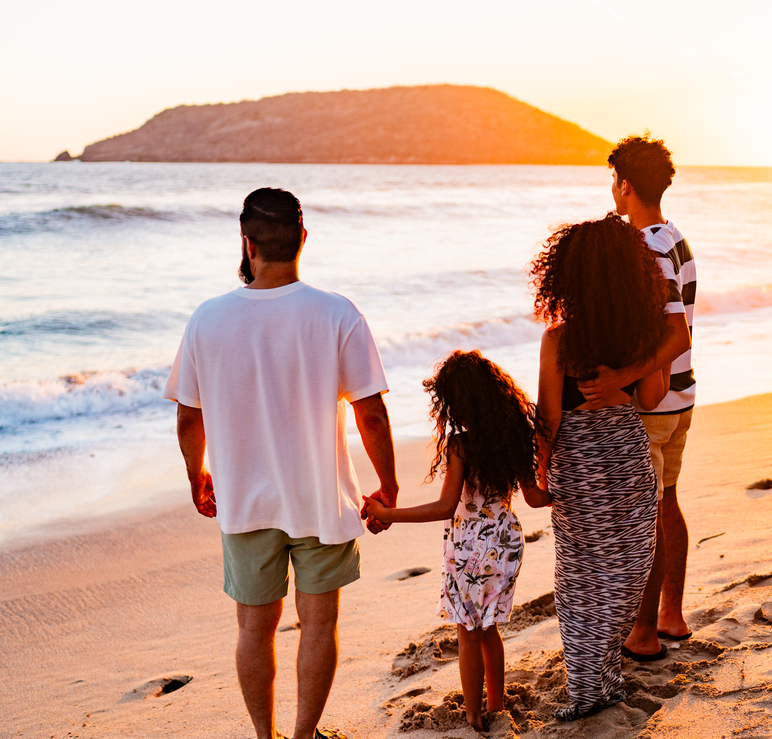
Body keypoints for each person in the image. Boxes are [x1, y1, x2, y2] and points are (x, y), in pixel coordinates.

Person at [165, 187, 398, 739]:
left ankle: (264, 734)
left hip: (245, 501)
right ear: (302, 240)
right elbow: (371, 413)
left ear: (246, 244)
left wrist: (196, 475)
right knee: (319, 623)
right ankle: (302, 736)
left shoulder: (208, 318)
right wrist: (387, 484)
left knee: (254, 625)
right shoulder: (336, 312)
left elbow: (188, 418)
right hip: (320, 497)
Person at [530, 214, 673, 721]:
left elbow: (548, 417)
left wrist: (537, 475)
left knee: (580, 574)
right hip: (627, 454)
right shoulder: (640, 336)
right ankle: (602, 675)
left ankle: (589, 683)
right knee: (629, 566)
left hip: (580, 459)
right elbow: (653, 398)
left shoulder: (559, 339)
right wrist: (647, 361)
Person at [361, 350, 550, 732]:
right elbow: (534, 497)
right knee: (490, 628)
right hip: (506, 539)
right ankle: (495, 703)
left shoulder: (461, 445)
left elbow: (447, 506)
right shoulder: (515, 435)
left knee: (468, 631)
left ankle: (472, 713)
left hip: (469, 546)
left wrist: (390, 515)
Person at [579, 134, 697, 661]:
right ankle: (670, 615)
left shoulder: (647, 246)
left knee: (644, 518)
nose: (612, 191)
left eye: (613, 182)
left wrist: (619, 377)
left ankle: (644, 631)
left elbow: (676, 335)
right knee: (665, 502)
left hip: (655, 404)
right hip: (682, 396)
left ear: (625, 185)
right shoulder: (675, 237)